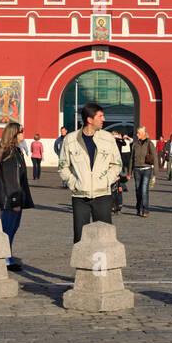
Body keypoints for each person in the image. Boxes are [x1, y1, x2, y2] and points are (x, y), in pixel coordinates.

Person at [57, 101, 123, 243]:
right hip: (80, 196)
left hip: (102, 195)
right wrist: (73, 183)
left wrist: (106, 180)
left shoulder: (107, 138)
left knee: (105, 238)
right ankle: (83, 265)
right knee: (80, 239)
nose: (103, 119)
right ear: (89, 119)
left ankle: (103, 266)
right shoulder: (70, 140)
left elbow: (117, 164)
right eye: (100, 116)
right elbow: (63, 166)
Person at [0, 121, 33, 269]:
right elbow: (12, 180)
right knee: (7, 230)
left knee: (12, 228)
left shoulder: (14, 151)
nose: (23, 134)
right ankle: (4, 259)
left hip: (11, 197)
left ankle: (7, 256)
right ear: (14, 134)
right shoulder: (10, 154)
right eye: (21, 131)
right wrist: (15, 201)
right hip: (10, 199)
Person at [128, 124, 158, 217]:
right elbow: (131, 159)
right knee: (138, 190)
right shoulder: (135, 144)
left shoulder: (149, 143)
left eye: (138, 133)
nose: (137, 135)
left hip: (147, 169)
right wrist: (129, 172)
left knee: (144, 190)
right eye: (137, 133)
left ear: (143, 133)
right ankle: (139, 208)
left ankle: (146, 210)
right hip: (136, 170)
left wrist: (155, 173)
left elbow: (155, 157)